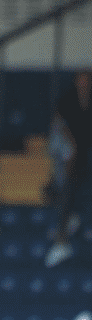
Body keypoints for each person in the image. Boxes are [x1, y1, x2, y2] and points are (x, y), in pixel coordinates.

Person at [44, 70, 92, 268]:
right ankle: (61, 240)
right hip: (74, 157)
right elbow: (59, 124)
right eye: (81, 80)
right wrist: (71, 146)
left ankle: (77, 219)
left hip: (86, 156)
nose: (83, 84)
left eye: (87, 81)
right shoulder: (67, 101)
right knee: (64, 190)